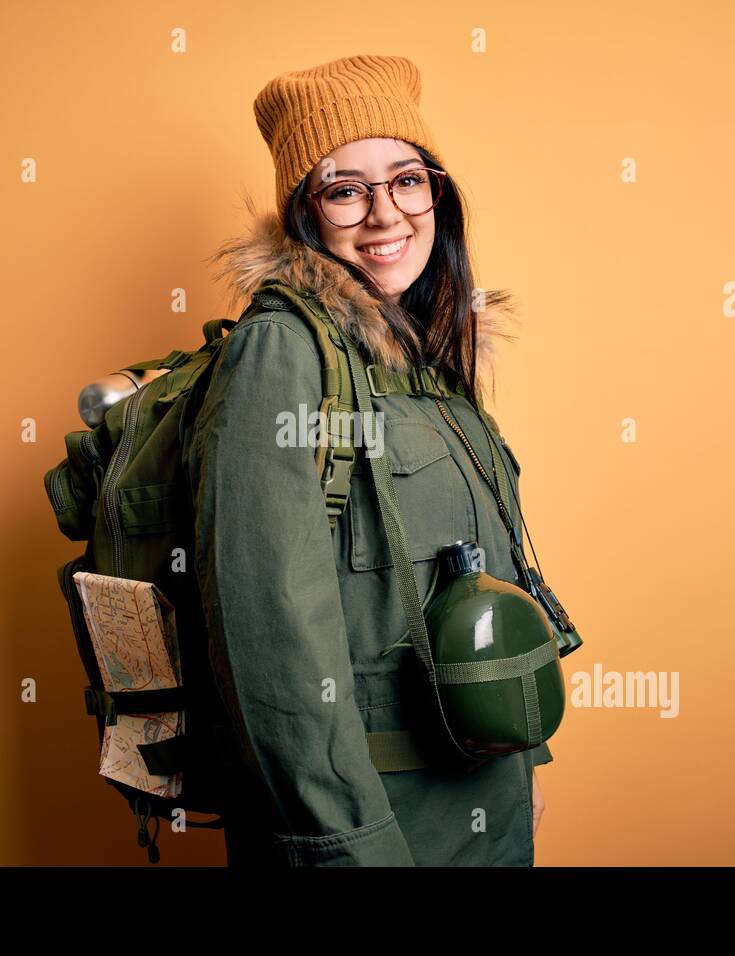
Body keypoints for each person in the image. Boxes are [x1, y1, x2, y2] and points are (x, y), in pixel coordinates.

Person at [184, 54, 553, 867]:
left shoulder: (429, 362)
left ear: (437, 194)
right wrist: (348, 848)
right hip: (381, 832)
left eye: (407, 180)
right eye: (345, 188)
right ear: (305, 215)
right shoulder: (281, 355)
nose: (386, 215)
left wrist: (518, 777)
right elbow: (267, 639)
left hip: (484, 811)